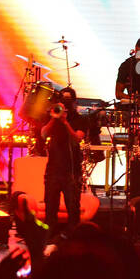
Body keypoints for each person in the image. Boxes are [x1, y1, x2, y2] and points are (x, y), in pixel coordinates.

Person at [41, 86, 85, 235]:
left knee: (73, 210)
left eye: (68, 99)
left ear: (73, 102)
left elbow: (76, 139)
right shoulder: (52, 116)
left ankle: (73, 240)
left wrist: (65, 122)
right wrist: (55, 119)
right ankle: (48, 240)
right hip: (53, 169)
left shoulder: (79, 119)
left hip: (71, 172)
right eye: (62, 99)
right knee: (50, 208)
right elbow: (43, 134)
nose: (65, 103)